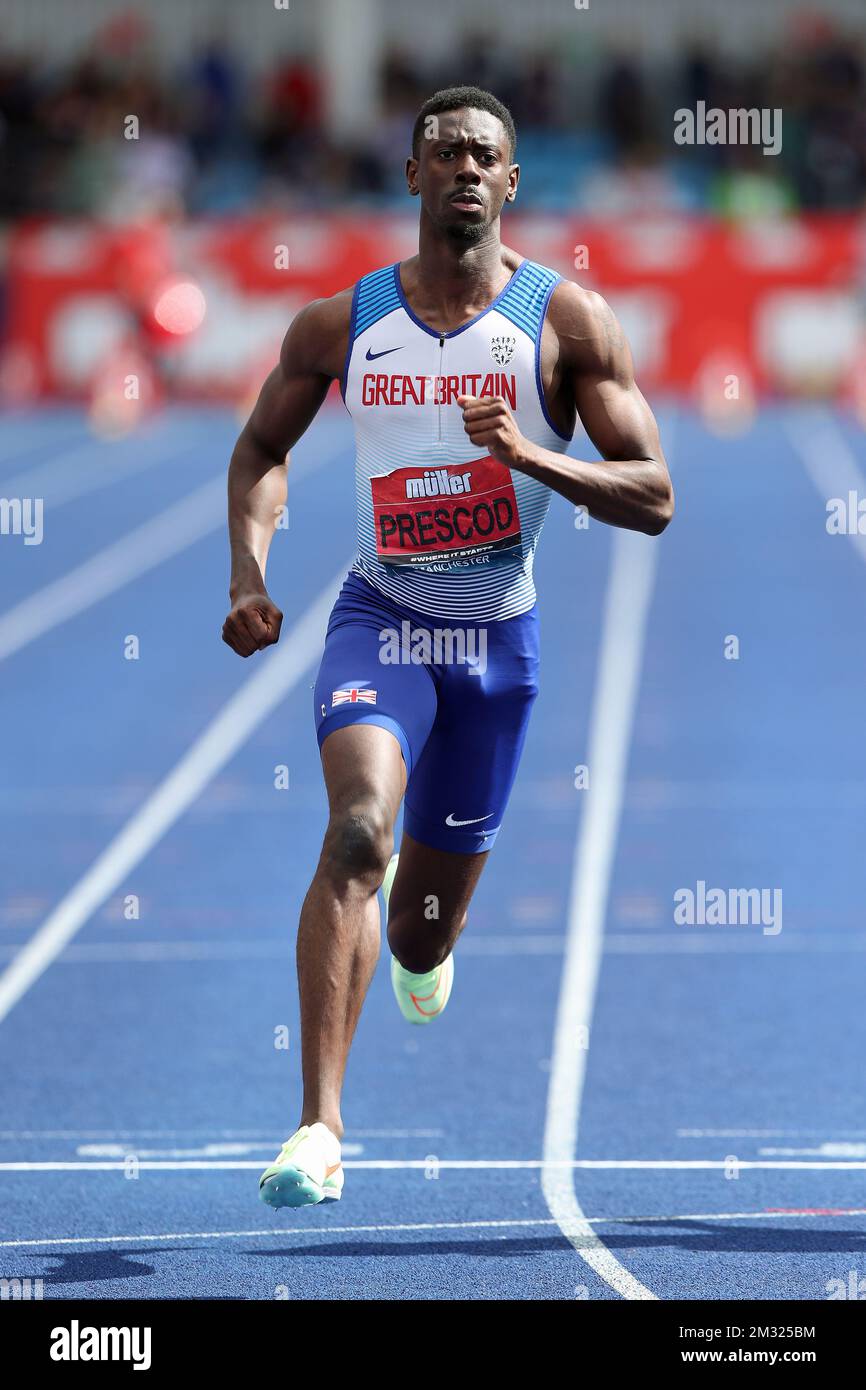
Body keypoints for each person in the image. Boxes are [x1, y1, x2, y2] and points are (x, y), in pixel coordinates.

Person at [222, 86, 674, 1208]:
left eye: (486, 155)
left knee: (421, 929)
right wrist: (248, 572)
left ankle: (421, 956)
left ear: (512, 184)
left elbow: (654, 494)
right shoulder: (338, 324)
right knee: (357, 835)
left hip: (495, 645)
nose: (466, 168)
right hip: (381, 615)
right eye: (445, 152)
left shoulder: (567, 324)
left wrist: (531, 456)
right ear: (413, 176)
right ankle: (319, 1129)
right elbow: (258, 449)